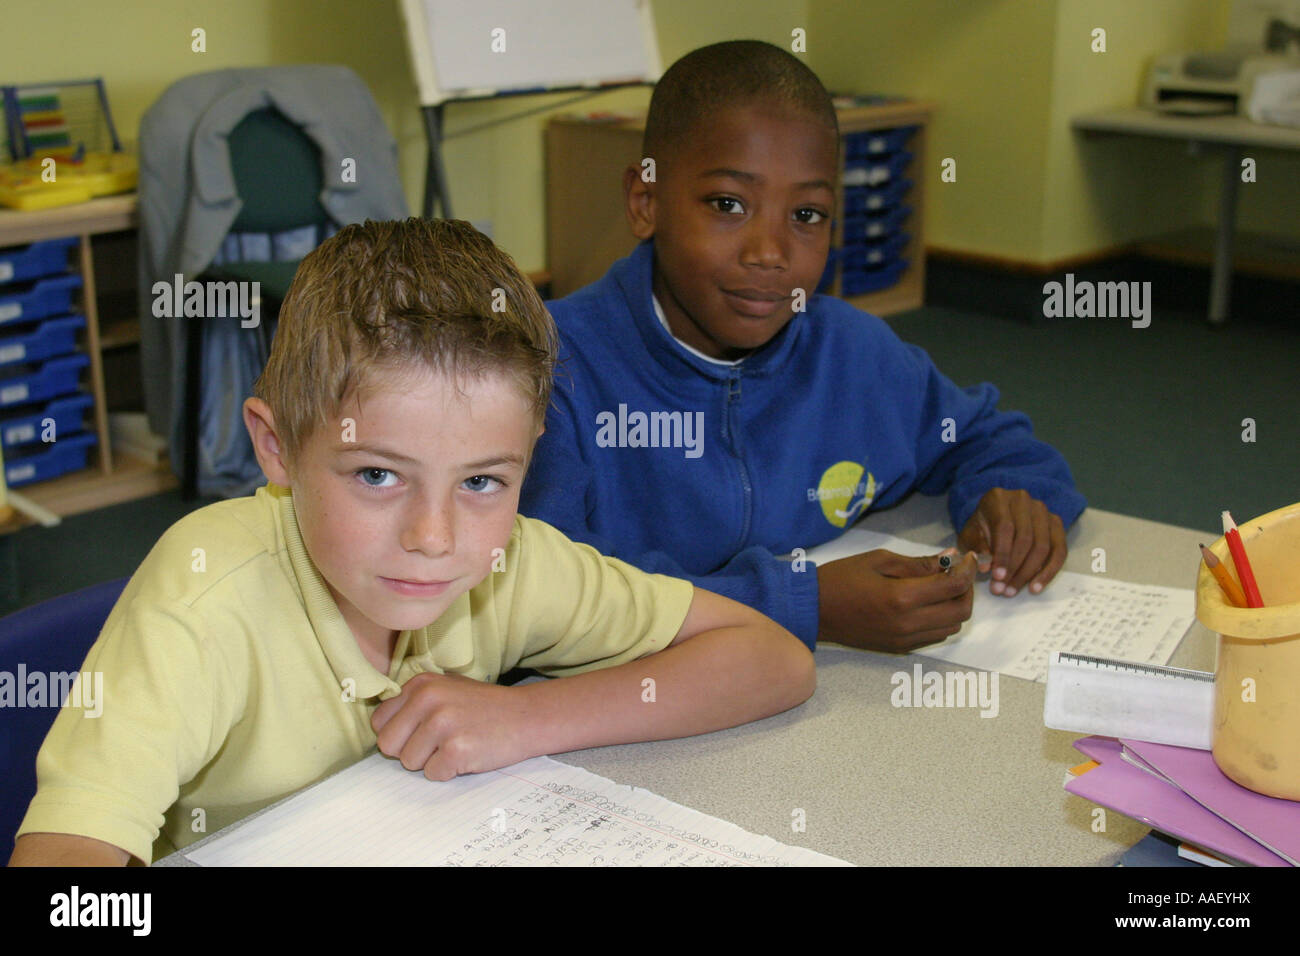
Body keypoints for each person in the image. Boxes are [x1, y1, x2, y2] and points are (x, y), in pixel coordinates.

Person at [10, 218, 814, 866]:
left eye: (481, 483)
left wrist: (524, 721)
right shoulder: (202, 602)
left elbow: (770, 658)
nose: (434, 539)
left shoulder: (512, 563)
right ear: (277, 443)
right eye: (376, 477)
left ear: (530, 456)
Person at [520, 40, 1086, 655]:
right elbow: (551, 596)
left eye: (808, 214)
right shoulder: (547, 374)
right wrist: (805, 604)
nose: (770, 252)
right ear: (645, 201)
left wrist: (1009, 498)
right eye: (727, 204)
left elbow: (984, 436)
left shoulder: (850, 352)